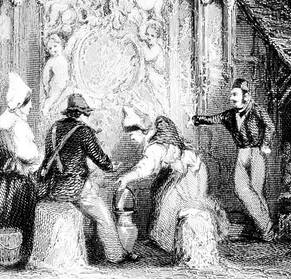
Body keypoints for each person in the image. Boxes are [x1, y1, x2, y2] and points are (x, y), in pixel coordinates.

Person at [38, 93, 136, 264]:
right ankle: (115, 255)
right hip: (76, 187)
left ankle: (95, 250)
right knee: (104, 217)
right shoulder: (83, 131)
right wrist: (112, 166)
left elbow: (49, 158)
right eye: (87, 113)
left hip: (55, 187)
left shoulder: (54, 128)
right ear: (82, 113)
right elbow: (100, 159)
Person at [115, 109, 224, 253]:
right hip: (189, 171)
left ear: (142, 131)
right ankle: (170, 242)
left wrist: (126, 177)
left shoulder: (155, 147)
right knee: (167, 203)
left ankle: (179, 244)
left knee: (179, 206)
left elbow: (145, 168)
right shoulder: (160, 139)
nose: (131, 139)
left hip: (190, 174)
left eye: (132, 134)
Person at [193, 78, 276, 242]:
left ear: (246, 96)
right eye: (231, 95)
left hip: (256, 153)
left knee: (256, 193)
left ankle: (265, 231)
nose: (231, 98)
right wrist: (196, 119)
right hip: (241, 153)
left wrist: (265, 143)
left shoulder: (257, 110)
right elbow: (214, 119)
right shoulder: (230, 115)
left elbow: (270, 126)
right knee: (241, 190)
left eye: (235, 94)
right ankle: (266, 228)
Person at [0, 72, 41, 255]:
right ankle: (16, 253)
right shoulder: (17, 124)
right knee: (16, 212)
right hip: (15, 175)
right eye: (28, 103)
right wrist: (38, 158)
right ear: (19, 104)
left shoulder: (1, 122)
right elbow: (26, 153)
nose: (31, 106)